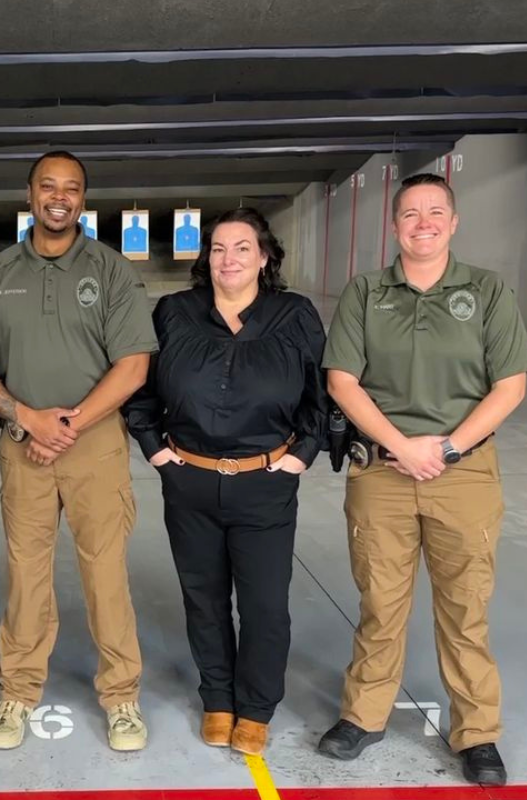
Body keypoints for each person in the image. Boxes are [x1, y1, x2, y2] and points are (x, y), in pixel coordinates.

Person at [317, 173, 527, 787]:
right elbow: (342, 382)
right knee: (380, 605)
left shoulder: (488, 291)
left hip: (463, 473)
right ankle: (363, 716)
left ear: (454, 221)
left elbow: (510, 385)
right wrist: (399, 447)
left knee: (465, 608)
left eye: (435, 211)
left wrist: (443, 447)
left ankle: (478, 733)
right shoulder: (365, 292)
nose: (423, 223)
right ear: (394, 226)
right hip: (381, 472)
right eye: (410, 213)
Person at [0, 150, 157, 752]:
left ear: (83, 198)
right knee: (26, 577)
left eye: (71, 188)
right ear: (28, 194)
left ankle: (122, 697)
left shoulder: (110, 269)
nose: (59, 196)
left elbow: (133, 367)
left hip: (93, 445)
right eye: (48, 185)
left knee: (106, 576)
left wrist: (68, 425)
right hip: (24, 443)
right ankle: (18, 693)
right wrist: (27, 418)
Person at [124, 207, 326, 756]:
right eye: (217, 248)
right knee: (203, 598)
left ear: (265, 257)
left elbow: (320, 393)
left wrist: (301, 455)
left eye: (242, 248)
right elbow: (140, 390)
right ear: (205, 258)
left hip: (265, 483)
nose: (228, 259)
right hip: (189, 479)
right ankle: (217, 698)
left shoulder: (294, 314)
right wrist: (156, 451)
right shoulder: (173, 312)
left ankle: (256, 708)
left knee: (264, 605)